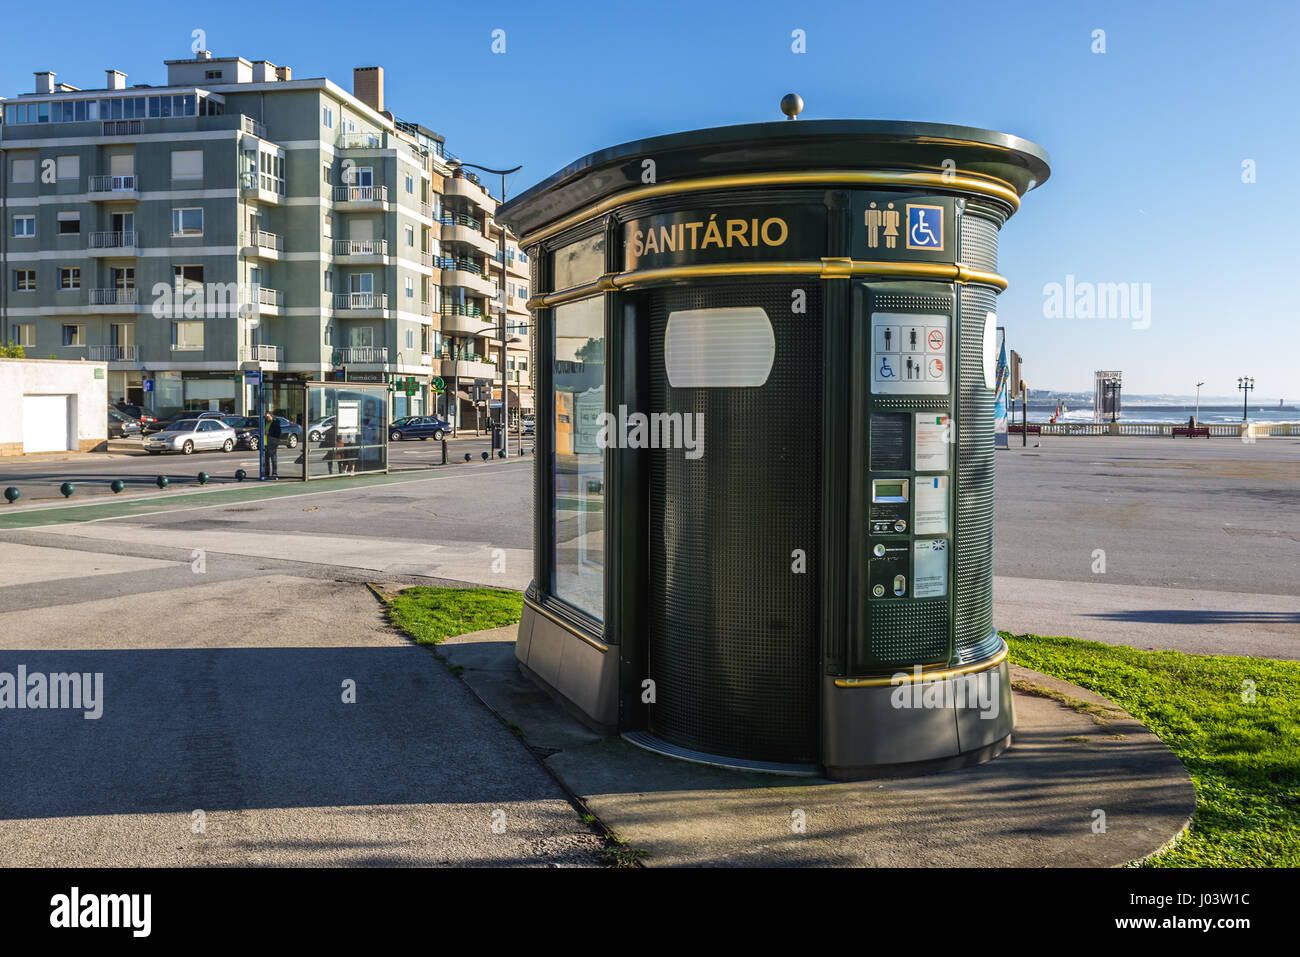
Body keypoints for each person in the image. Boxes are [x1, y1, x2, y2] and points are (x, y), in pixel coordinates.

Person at [263, 412, 281, 479]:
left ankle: (274, 473)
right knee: (266, 459)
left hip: (272, 443)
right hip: (266, 443)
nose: (267, 418)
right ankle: (266, 473)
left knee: (273, 459)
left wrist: (269, 432)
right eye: (266, 417)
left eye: (268, 416)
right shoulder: (265, 423)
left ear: (271, 416)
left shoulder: (275, 423)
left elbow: (277, 433)